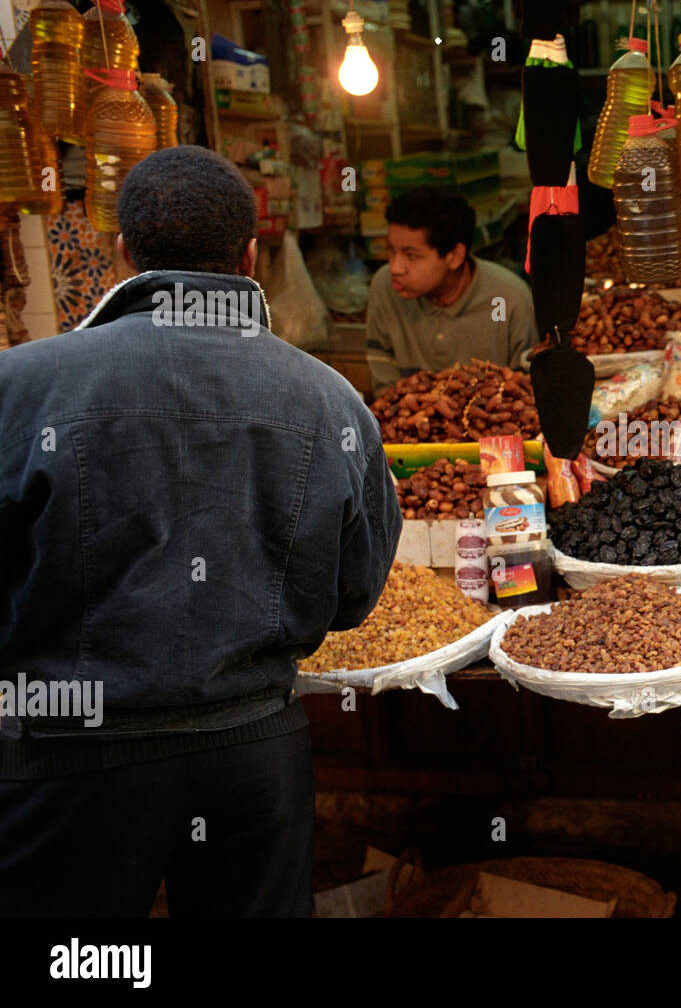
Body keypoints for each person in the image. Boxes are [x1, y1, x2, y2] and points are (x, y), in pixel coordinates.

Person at [0, 146, 401, 918]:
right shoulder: (330, 400)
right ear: (250, 256)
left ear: (124, 252)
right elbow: (355, 594)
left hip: (65, 750)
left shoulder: (22, 385)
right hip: (251, 754)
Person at [365, 186, 538, 391]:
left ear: (454, 256)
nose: (395, 268)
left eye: (411, 255)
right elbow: (385, 388)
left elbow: (525, 393)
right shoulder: (384, 287)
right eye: (391, 251)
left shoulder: (510, 298)